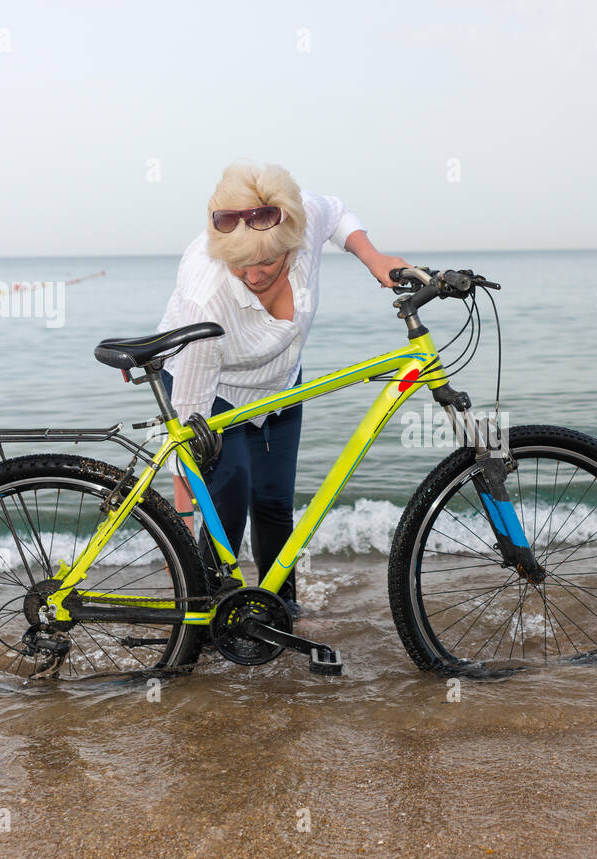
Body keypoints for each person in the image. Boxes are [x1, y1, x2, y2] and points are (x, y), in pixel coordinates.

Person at [156, 161, 408, 617]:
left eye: (267, 262)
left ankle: (279, 611)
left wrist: (375, 260)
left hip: (280, 385)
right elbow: (188, 424)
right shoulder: (205, 297)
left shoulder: (297, 221)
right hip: (212, 386)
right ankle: (207, 617)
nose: (253, 276)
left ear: (292, 241)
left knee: (274, 503)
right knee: (226, 507)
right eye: (240, 265)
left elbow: (334, 212)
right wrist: (186, 491)